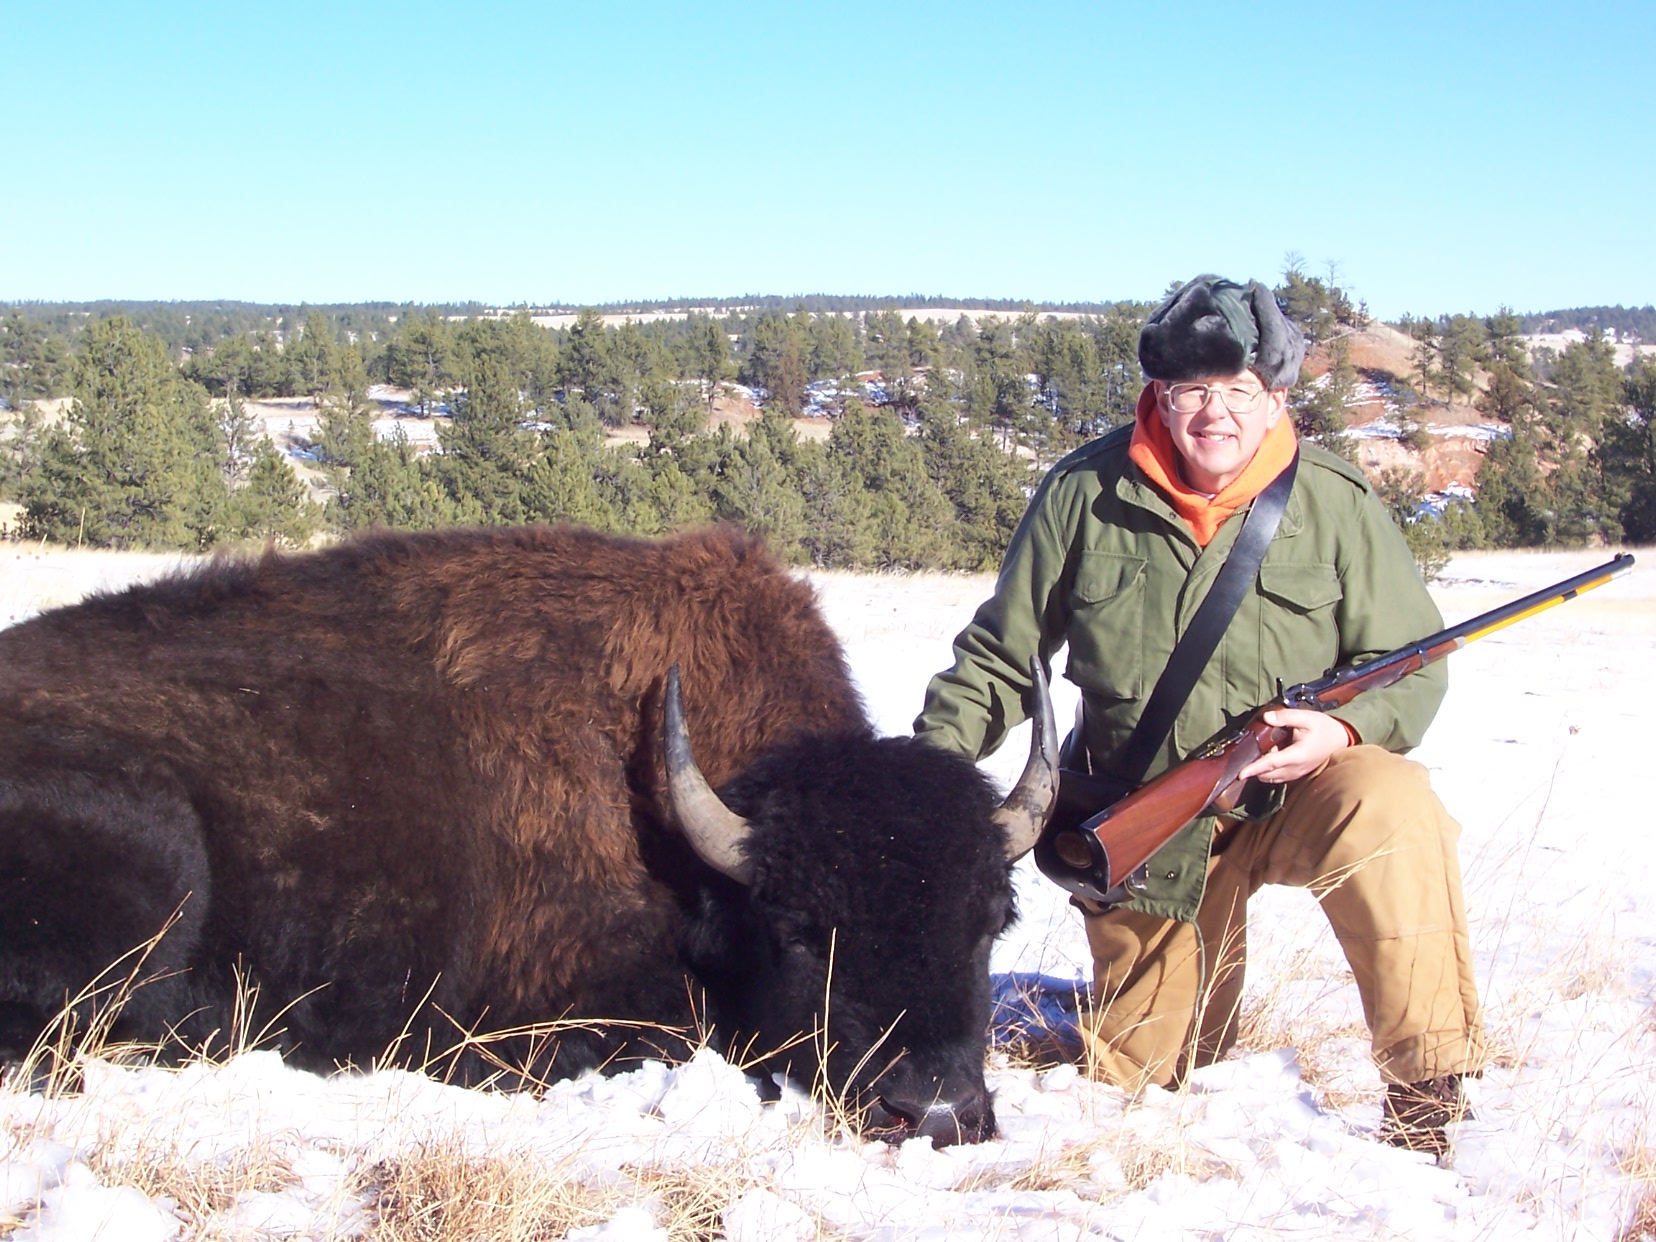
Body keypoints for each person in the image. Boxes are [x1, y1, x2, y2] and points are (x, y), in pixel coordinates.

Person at [915, 275, 1485, 1155]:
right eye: (1193, 390)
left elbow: (1408, 661)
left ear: (1275, 396)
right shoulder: (1082, 494)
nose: (1215, 413)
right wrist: (919, 785)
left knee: (1393, 803)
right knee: (1147, 1082)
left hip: (1295, 793)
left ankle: (1428, 1092)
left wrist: (1341, 730)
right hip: (1149, 824)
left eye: (1238, 391)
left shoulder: (1334, 503)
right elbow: (1000, 657)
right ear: (1161, 394)